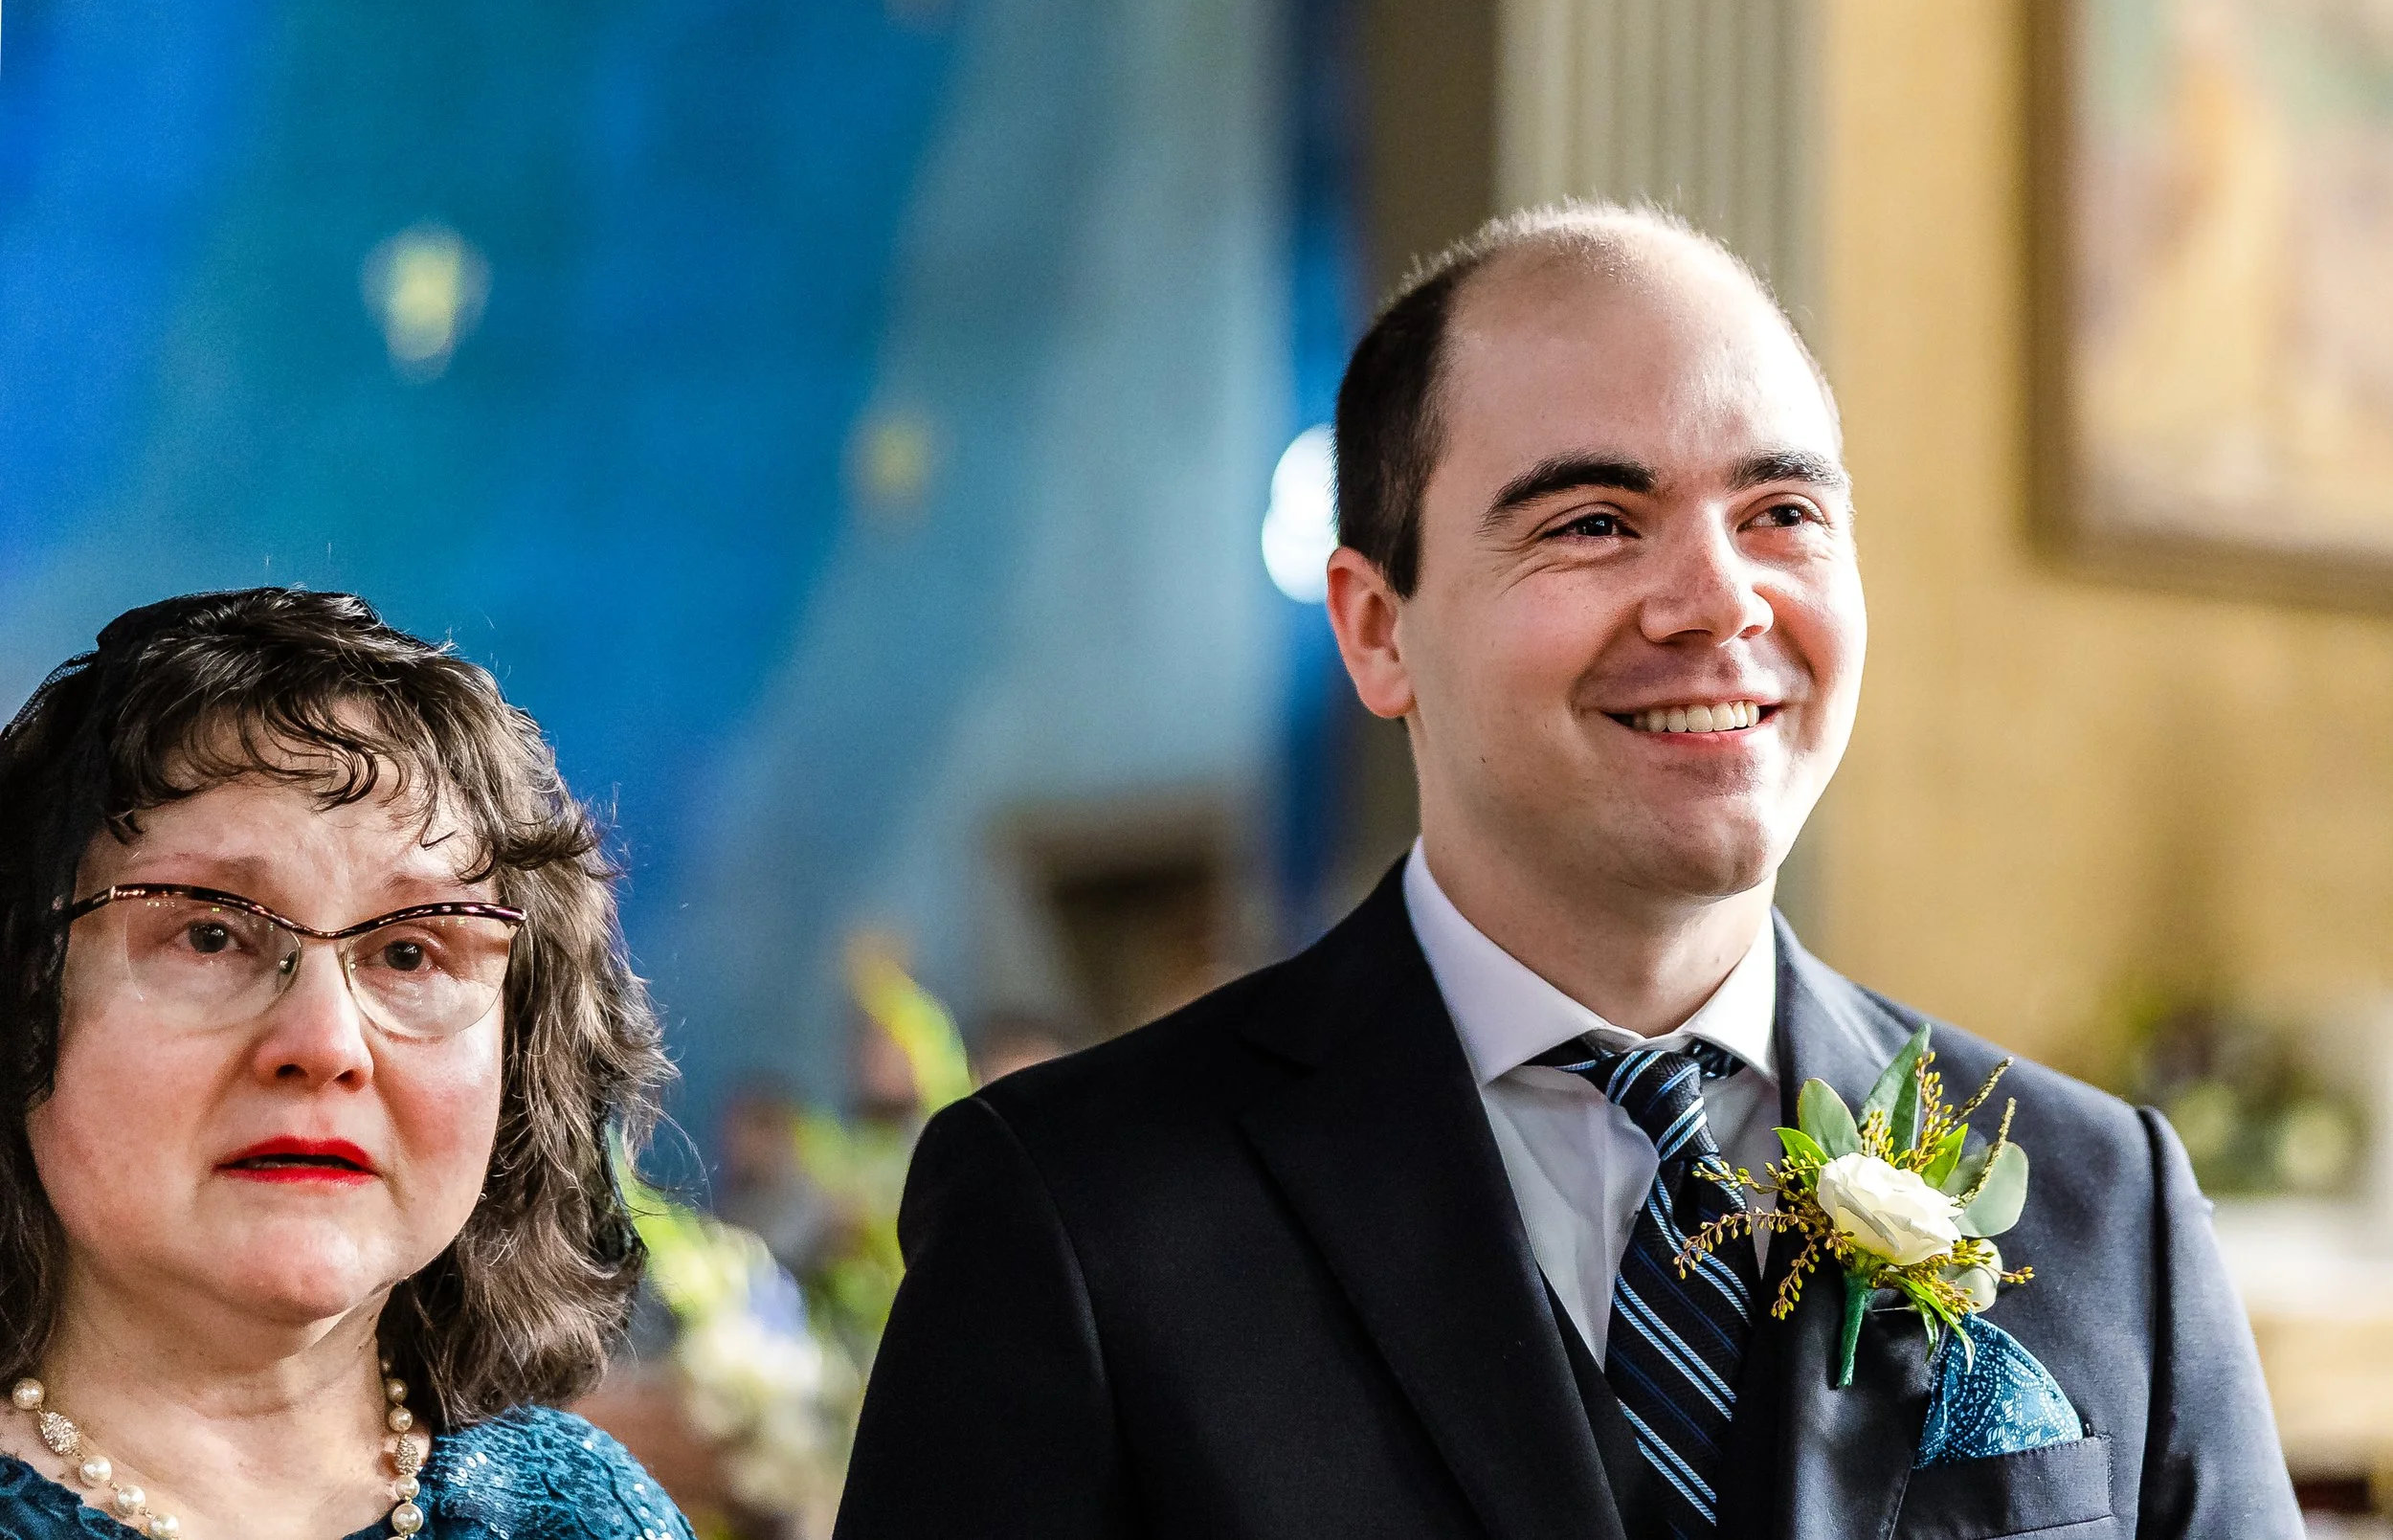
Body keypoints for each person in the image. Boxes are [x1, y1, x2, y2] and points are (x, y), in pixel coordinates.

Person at [835, 206, 2301, 1538]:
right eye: (1595, 523)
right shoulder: (1079, 1210)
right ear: (1375, 627)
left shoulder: (2109, 1207)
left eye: (1782, 513)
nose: (1720, 598)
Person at [0, 589, 698, 1540]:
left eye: (410, 951)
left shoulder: (580, 1515)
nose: (324, 1046)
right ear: (21, 994)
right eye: (209, 934)